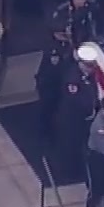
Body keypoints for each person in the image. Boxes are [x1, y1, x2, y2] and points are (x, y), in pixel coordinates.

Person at [35, 10, 74, 143]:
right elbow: (56, 66)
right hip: (49, 84)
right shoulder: (52, 47)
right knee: (47, 110)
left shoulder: (66, 44)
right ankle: (44, 134)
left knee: (58, 110)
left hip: (59, 84)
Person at [60, 43, 101, 165]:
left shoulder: (87, 75)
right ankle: (69, 167)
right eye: (89, 66)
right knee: (71, 143)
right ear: (82, 64)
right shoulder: (73, 79)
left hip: (84, 117)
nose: (92, 69)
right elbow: (75, 100)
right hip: (72, 117)